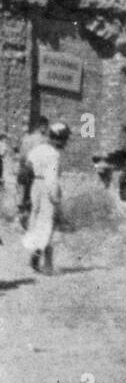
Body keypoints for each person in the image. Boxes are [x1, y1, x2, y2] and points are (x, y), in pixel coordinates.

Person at [22, 121, 70, 274]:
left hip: (35, 186)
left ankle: (36, 254)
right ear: (59, 139)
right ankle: (47, 265)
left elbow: (27, 168)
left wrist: (28, 192)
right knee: (49, 224)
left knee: (37, 222)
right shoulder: (54, 154)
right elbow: (52, 178)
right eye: (64, 139)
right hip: (47, 190)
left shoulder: (38, 149)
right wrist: (55, 198)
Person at [16, 116, 49, 229]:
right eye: (45, 126)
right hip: (37, 172)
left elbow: (21, 157)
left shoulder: (27, 139)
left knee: (26, 195)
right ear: (42, 126)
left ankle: (24, 219)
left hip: (26, 169)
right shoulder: (44, 140)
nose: (46, 129)